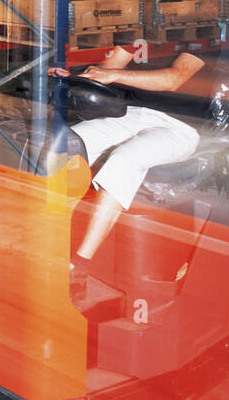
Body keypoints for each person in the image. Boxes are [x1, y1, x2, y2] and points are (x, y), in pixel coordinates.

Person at [49, 47, 206, 285]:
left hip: (181, 125)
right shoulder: (140, 25)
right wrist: (72, 75)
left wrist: (115, 77)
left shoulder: (199, 26)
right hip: (129, 114)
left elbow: (174, 79)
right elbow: (109, 67)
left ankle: (80, 263)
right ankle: (51, 240)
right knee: (69, 143)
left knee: (124, 159)